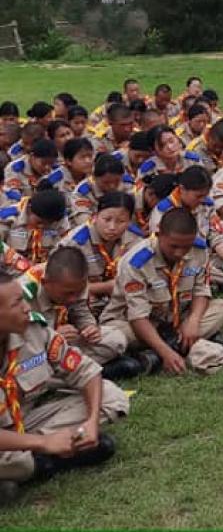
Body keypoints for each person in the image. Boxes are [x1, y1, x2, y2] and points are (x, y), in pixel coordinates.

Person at [0, 276, 129, 494]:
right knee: (16, 462)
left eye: (24, 300)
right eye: (16, 304)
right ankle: (40, 462)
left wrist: (91, 422)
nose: (26, 308)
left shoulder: (33, 329)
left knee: (112, 397)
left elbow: (86, 371)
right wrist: (44, 443)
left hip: (23, 421)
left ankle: (28, 463)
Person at [100, 208, 223, 375]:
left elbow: (201, 290)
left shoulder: (199, 250)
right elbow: (137, 317)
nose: (179, 252)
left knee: (222, 308)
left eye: (186, 247)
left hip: (175, 319)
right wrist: (166, 352)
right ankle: (177, 347)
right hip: (134, 322)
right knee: (117, 337)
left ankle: (154, 355)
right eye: (173, 246)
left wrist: (193, 321)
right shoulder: (137, 261)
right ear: (159, 232)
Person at [19, 248, 129, 369]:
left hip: (64, 344)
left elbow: (81, 311)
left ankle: (75, 370)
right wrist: (50, 337)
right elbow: (14, 340)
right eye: (68, 294)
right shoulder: (22, 294)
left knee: (115, 339)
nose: (73, 299)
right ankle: (81, 371)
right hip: (31, 352)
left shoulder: (75, 282)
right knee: (29, 367)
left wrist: (89, 328)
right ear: (45, 282)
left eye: (79, 292)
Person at [59, 192, 144, 322]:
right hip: (82, 308)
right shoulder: (75, 243)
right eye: (107, 219)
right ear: (96, 216)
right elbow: (60, 286)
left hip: (120, 305)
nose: (112, 227)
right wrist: (105, 287)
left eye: (121, 221)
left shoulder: (136, 239)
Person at [0, 190, 69, 265]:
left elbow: (62, 248)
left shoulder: (59, 220)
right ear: (29, 210)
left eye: (48, 224)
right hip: (9, 269)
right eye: (39, 222)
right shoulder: (7, 217)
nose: (42, 227)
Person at [67, 153, 134, 226]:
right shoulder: (82, 193)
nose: (112, 186)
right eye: (106, 182)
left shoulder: (128, 184)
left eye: (117, 181)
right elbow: (85, 223)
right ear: (94, 177)